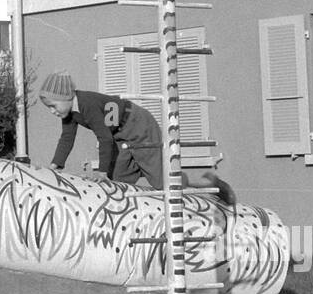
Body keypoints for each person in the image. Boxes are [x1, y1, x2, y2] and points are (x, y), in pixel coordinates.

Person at [38, 70, 236, 204]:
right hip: (122, 137)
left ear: (66, 97)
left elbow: (104, 138)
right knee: (118, 182)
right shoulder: (70, 113)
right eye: (49, 109)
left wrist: (101, 172)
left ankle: (207, 182)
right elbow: (66, 139)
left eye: (53, 106)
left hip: (139, 127)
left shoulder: (87, 104)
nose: (52, 112)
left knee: (162, 182)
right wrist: (56, 165)